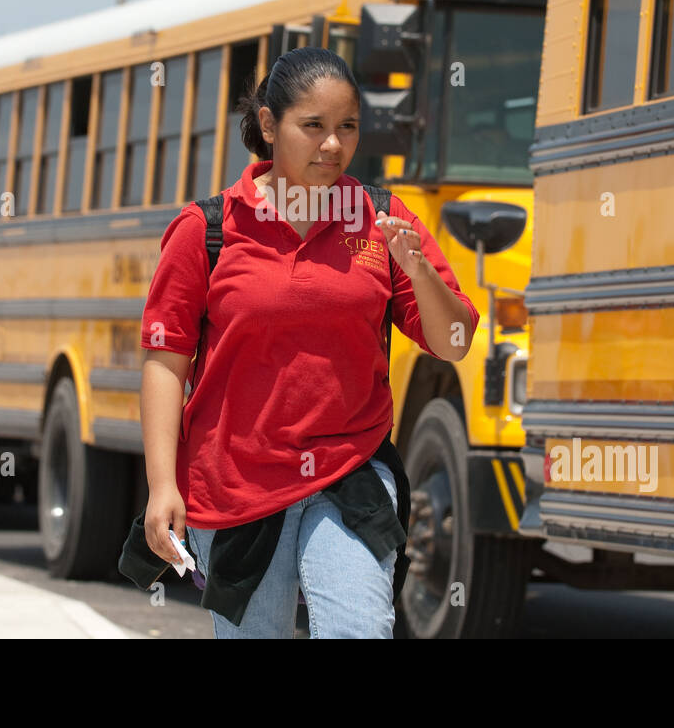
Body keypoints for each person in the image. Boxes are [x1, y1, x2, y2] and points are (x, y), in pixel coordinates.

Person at [137, 47, 479, 638]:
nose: (332, 146)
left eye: (347, 127)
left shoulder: (381, 218)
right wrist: (163, 485)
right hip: (235, 483)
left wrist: (416, 268)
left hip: (350, 472)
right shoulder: (207, 230)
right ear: (269, 126)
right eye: (312, 126)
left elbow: (453, 343)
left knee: (357, 630)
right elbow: (166, 362)